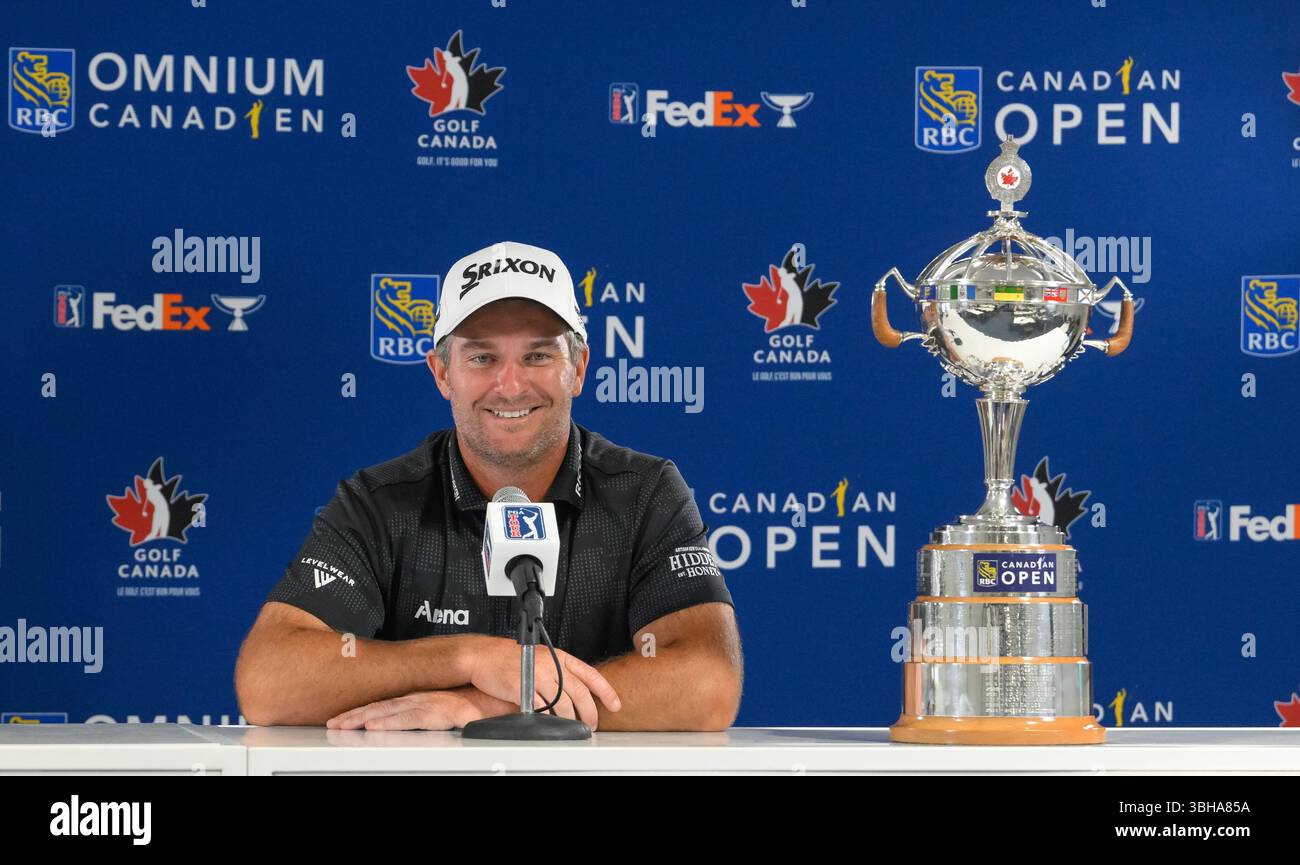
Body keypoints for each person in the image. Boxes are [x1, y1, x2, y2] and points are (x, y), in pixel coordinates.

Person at [235, 241, 742, 732]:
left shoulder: (644, 492)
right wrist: (467, 656)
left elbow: (708, 683)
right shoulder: (381, 502)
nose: (511, 385)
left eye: (539, 356)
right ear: (441, 374)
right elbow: (269, 680)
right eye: (481, 358)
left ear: (579, 369)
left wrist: (492, 703)